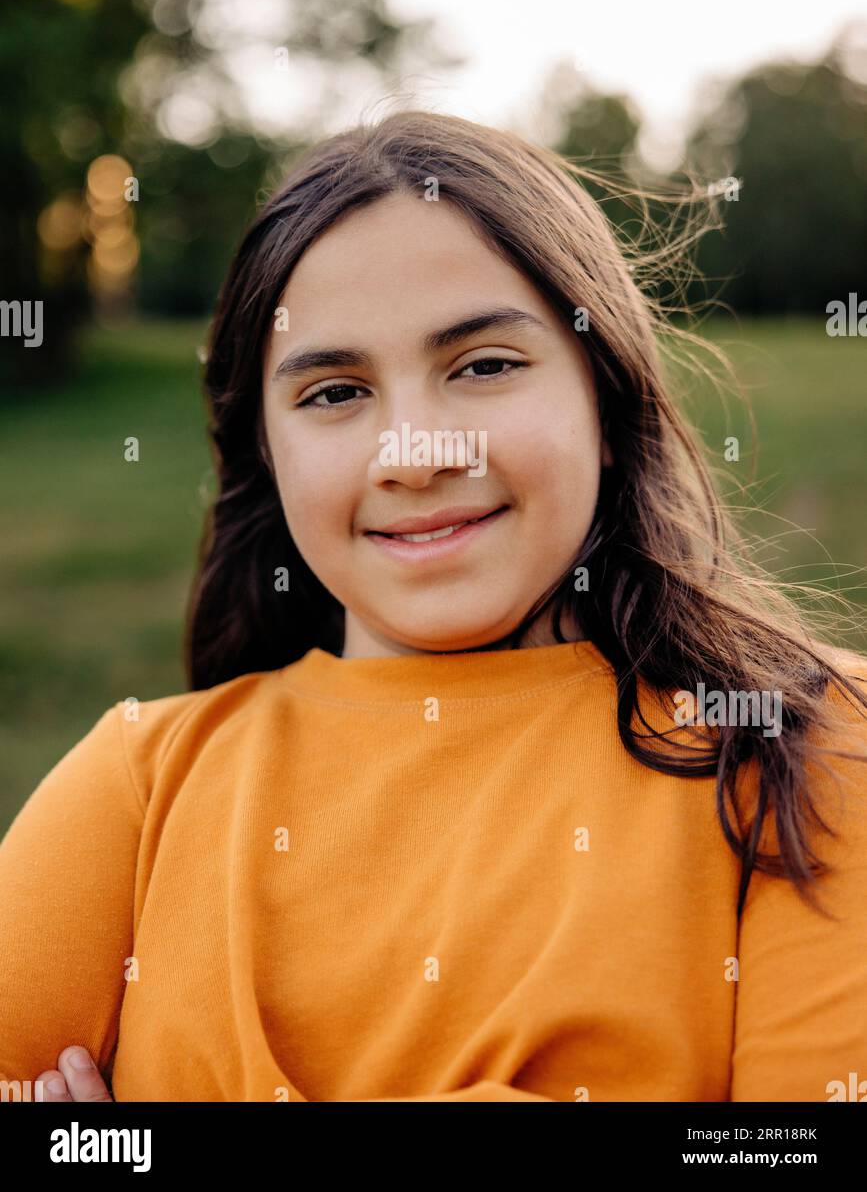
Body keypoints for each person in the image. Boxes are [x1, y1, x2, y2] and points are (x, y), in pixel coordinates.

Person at [1, 110, 866, 1103]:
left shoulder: (807, 750)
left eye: (485, 366)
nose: (414, 452)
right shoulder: (139, 786)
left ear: (606, 399)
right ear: (268, 453)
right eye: (334, 391)